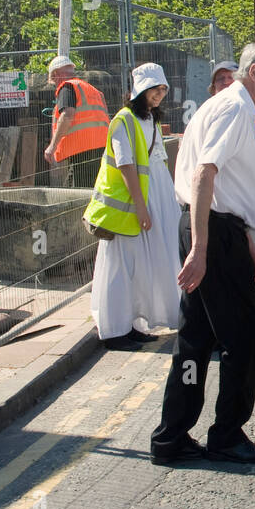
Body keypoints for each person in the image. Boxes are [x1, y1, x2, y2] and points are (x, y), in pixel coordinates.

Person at [149, 42, 255, 467]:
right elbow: (204, 173)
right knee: (244, 336)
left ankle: (171, 436)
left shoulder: (226, 105)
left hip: (216, 227)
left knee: (196, 338)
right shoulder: (235, 109)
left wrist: (242, 235)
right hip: (211, 228)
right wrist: (203, 247)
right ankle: (227, 434)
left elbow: (224, 183)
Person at [85, 63, 182, 352]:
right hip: (127, 206)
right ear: (140, 91)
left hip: (150, 198)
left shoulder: (148, 119)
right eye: (155, 89)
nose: (159, 94)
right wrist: (141, 208)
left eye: (163, 89)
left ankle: (133, 323)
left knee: (139, 265)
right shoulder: (123, 120)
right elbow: (126, 166)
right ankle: (114, 330)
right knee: (119, 266)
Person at [44, 55, 109, 188]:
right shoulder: (92, 90)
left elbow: (67, 115)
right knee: (94, 189)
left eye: (54, 81)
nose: (55, 85)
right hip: (101, 146)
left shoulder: (67, 87)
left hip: (83, 149)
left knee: (81, 193)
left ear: (56, 74)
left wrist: (52, 146)